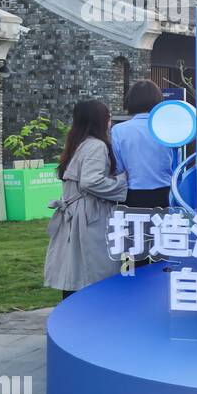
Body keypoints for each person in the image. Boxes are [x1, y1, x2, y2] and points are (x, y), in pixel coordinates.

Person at [44, 100, 128, 298]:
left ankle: (72, 317)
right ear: (100, 120)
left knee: (74, 270)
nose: (110, 122)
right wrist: (121, 182)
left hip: (77, 214)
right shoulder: (96, 146)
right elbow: (91, 181)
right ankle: (90, 318)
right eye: (108, 117)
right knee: (94, 270)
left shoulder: (77, 144)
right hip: (90, 216)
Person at [112, 79, 173, 208]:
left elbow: (117, 168)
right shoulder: (168, 128)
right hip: (166, 194)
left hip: (131, 195)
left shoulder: (118, 130)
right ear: (158, 100)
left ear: (130, 101)